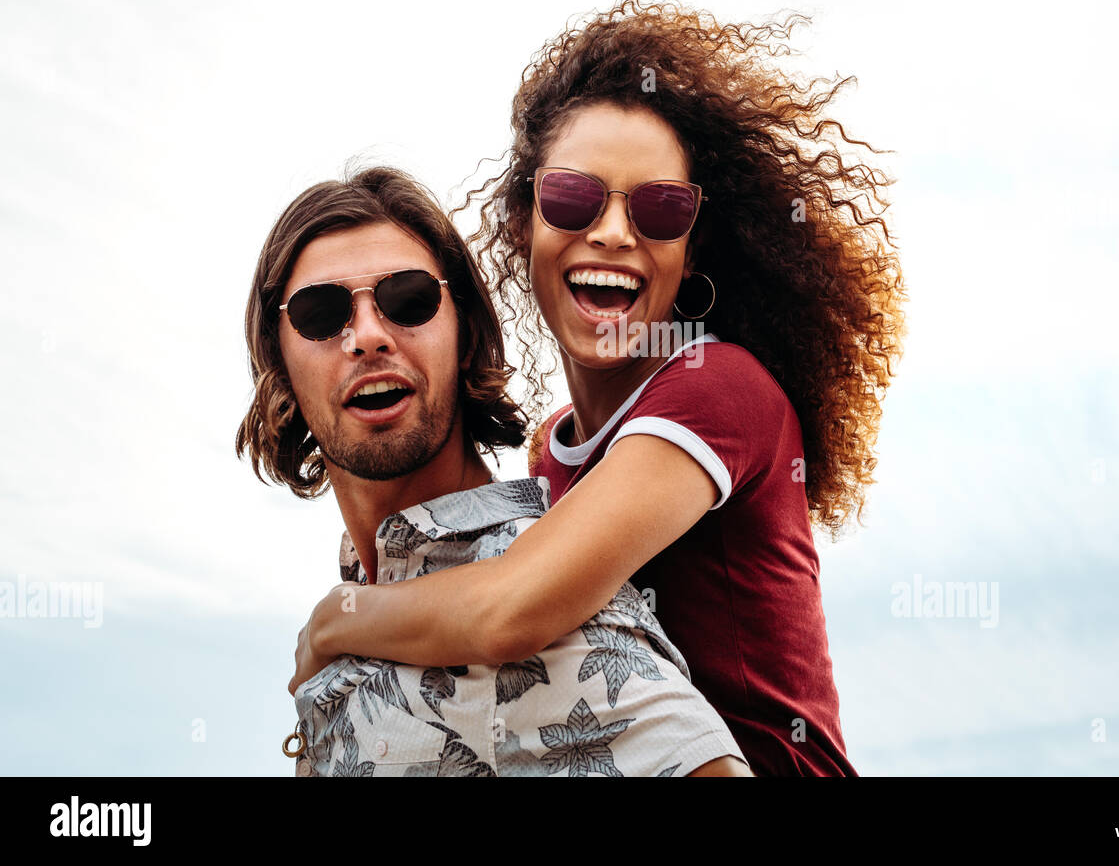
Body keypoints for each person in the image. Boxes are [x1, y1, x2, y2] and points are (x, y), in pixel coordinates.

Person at [293, 0, 907, 776]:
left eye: (659, 209)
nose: (614, 231)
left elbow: (507, 609)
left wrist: (334, 621)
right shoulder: (554, 455)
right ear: (523, 220)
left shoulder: (716, 386)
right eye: (575, 198)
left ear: (693, 245)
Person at [237, 165, 751, 776]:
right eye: (321, 313)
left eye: (410, 300)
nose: (368, 336)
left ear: (468, 336)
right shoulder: (373, 593)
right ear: (279, 362)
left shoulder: (533, 588)